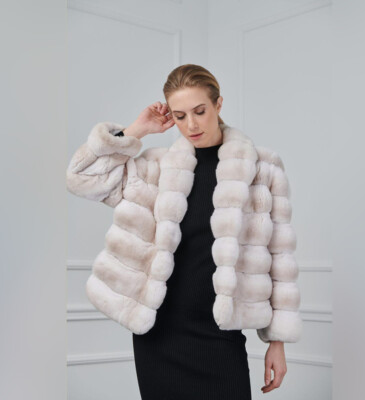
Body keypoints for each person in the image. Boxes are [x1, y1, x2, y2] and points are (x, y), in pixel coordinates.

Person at [66, 64, 302, 399]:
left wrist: (277, 341)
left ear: (218, 104)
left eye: (200, 111)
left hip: (219, 334)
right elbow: (81, 178)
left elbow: (281, 257)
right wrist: (137, 130)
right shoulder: (156, 168)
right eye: (179, 116)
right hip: (160, 335)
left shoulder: (262, 170)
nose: (191, 125)